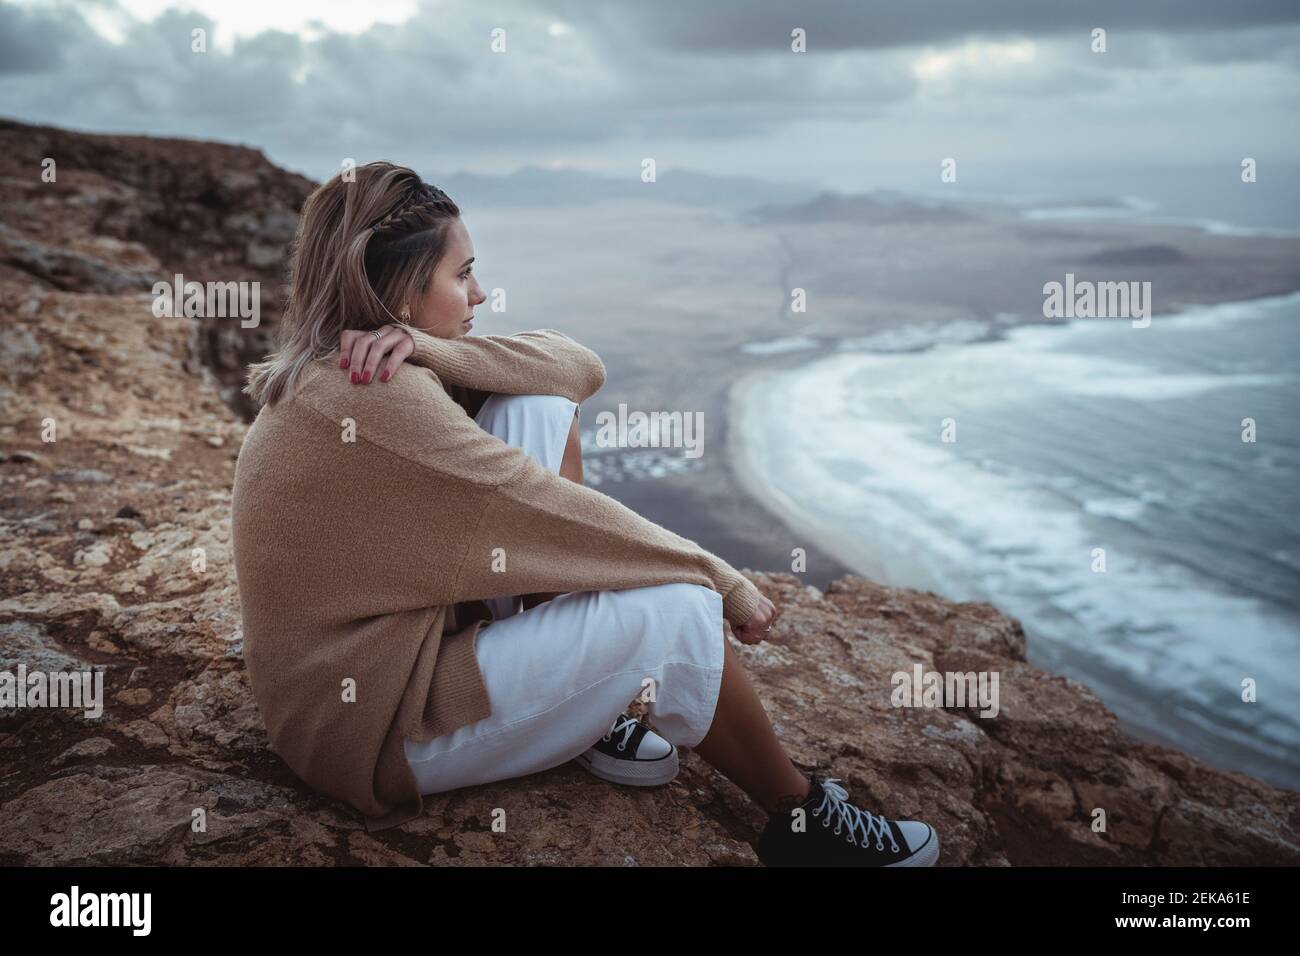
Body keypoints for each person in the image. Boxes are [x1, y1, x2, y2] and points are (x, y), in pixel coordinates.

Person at [230, 161, 939, 866]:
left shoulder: (347, 369)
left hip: (370, 676)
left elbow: (573, 366)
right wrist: (714, 576)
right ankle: (803, 815)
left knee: (531, 402)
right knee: (676, 610)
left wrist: (432, 347)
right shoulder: (382, 402)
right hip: (375, 729)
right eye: (461, 275)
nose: (479, 292)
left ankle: (583, 714)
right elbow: (549, 512)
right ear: (401, 293)